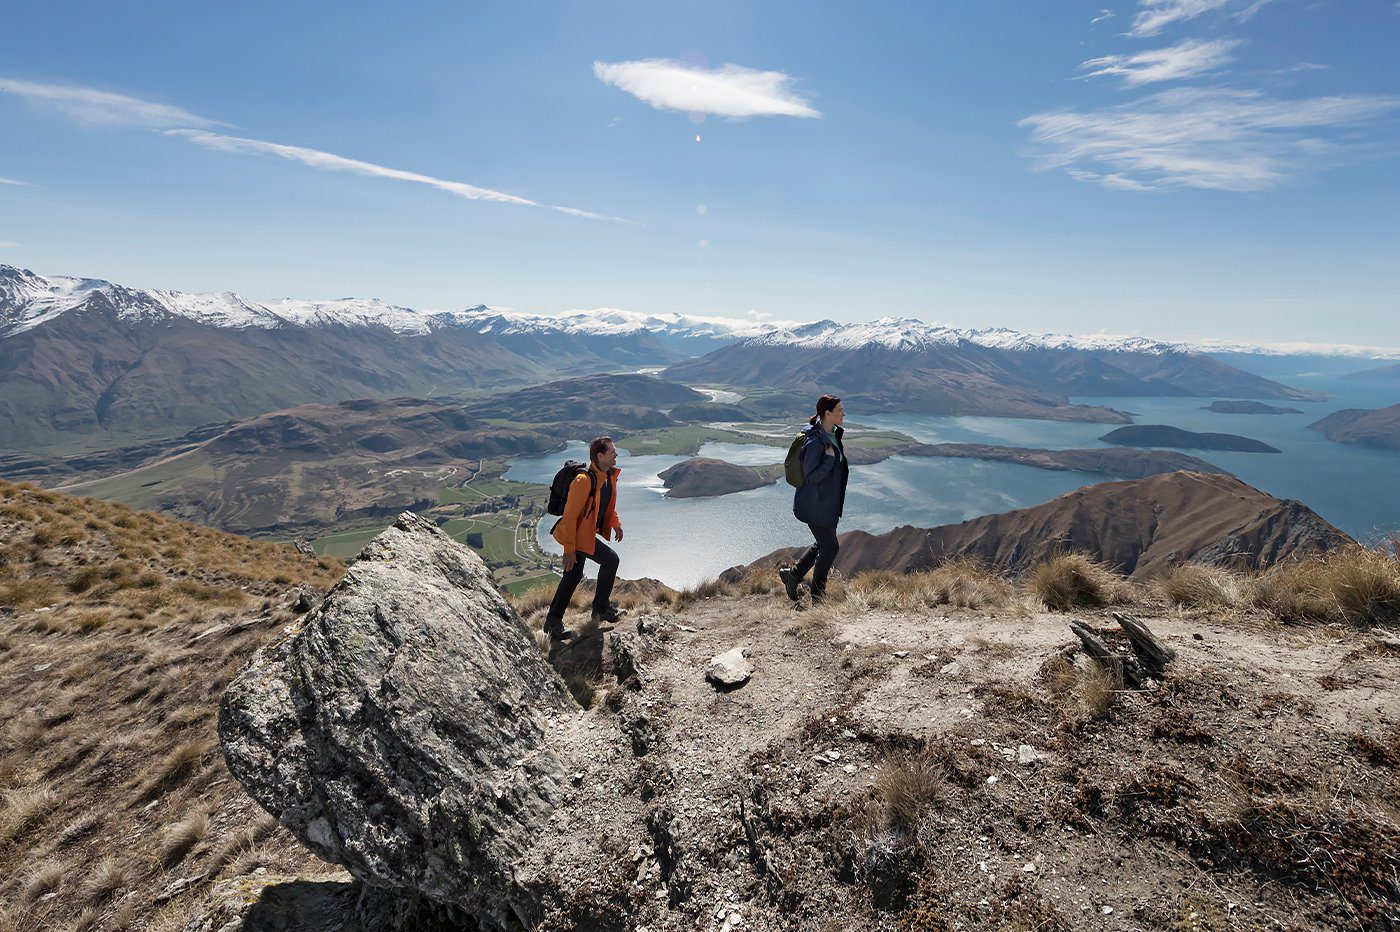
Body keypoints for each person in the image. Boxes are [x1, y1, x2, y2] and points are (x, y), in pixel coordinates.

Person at [544, 435, 626, 641]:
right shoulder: (584, 480)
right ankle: (593, 611)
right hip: (577, 536)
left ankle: (556, 621)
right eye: (612, 452)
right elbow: (570, 516)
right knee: (608, 560)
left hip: (584, 535)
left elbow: (606, 506)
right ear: (600, 455)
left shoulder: (606, 476)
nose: (616, 454)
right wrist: (569, 549)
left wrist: (615, 524)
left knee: (575, 574)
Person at [780, 395, 849, 604]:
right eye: (839, 410)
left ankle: (793, 575)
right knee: (830, 547)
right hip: (815, 505)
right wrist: (828, 460)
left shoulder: (832, 434)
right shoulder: (815, 441)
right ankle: (818, 596)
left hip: (827, 504)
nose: (843, 413)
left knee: (823, 544)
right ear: (828, 414)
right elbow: (810, 477)